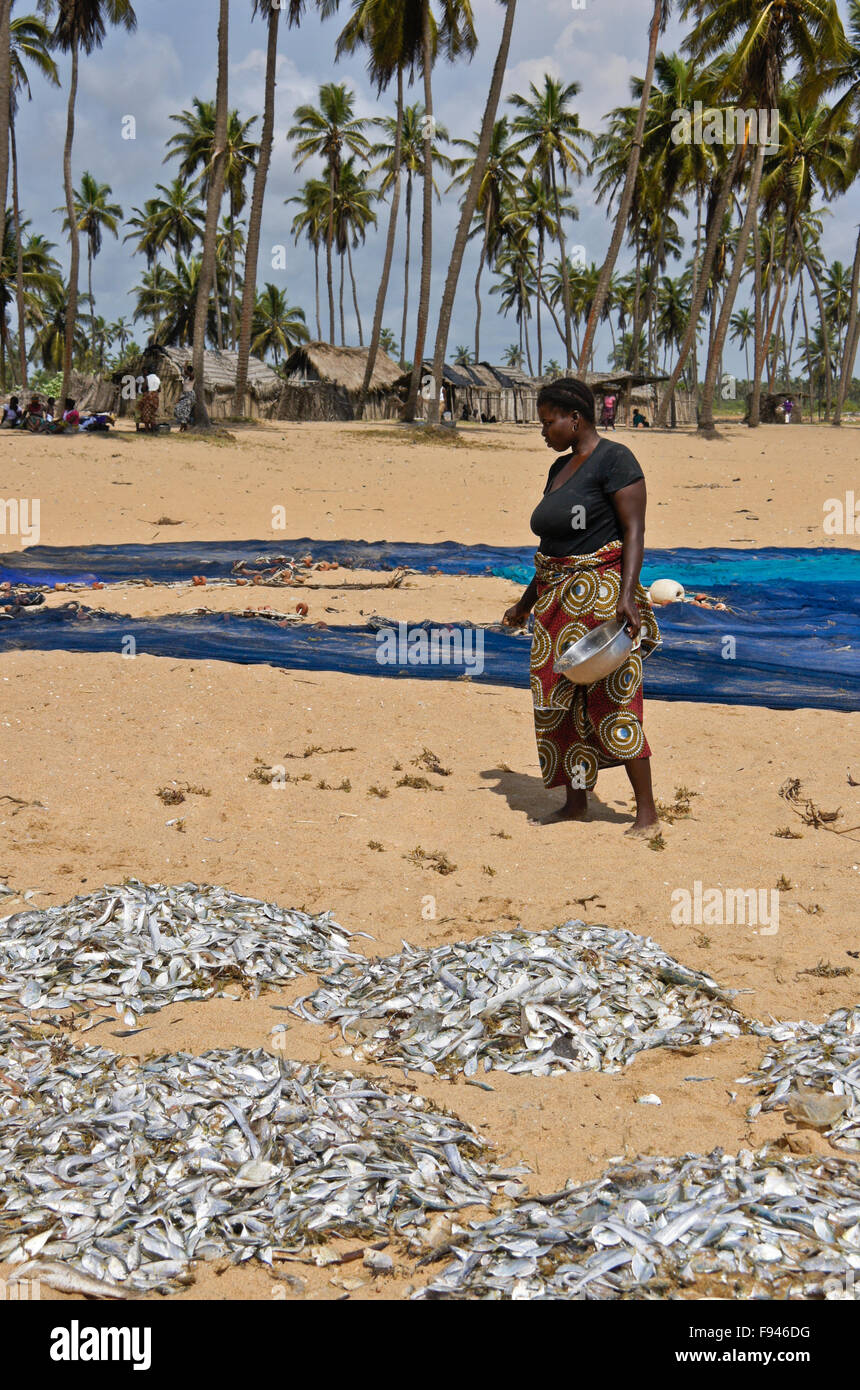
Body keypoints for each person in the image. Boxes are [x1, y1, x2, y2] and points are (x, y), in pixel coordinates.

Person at [502, 376, 661, 835]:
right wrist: (524, 604)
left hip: (600, 600)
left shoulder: (615, 460)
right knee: (556, 705)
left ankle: (646, 812)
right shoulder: (560, 469)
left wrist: (628, 596)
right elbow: (554, 548)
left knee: (612, 701)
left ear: (575, 419)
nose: (543, 432)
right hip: (554, 605)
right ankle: (575, 802)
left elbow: (634, 531)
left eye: (549, 422)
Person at [174, 363, 196, 430]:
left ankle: (183, 427)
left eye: (187, 371)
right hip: (185, 395)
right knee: (178, 409)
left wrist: (185, 367)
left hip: (190, 395)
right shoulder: (186, 378)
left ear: (190, 371)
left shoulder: (192, 377)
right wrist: (180, 398)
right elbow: (183, 373)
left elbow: (186, 372)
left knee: (185, 411)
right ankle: (184, 426)